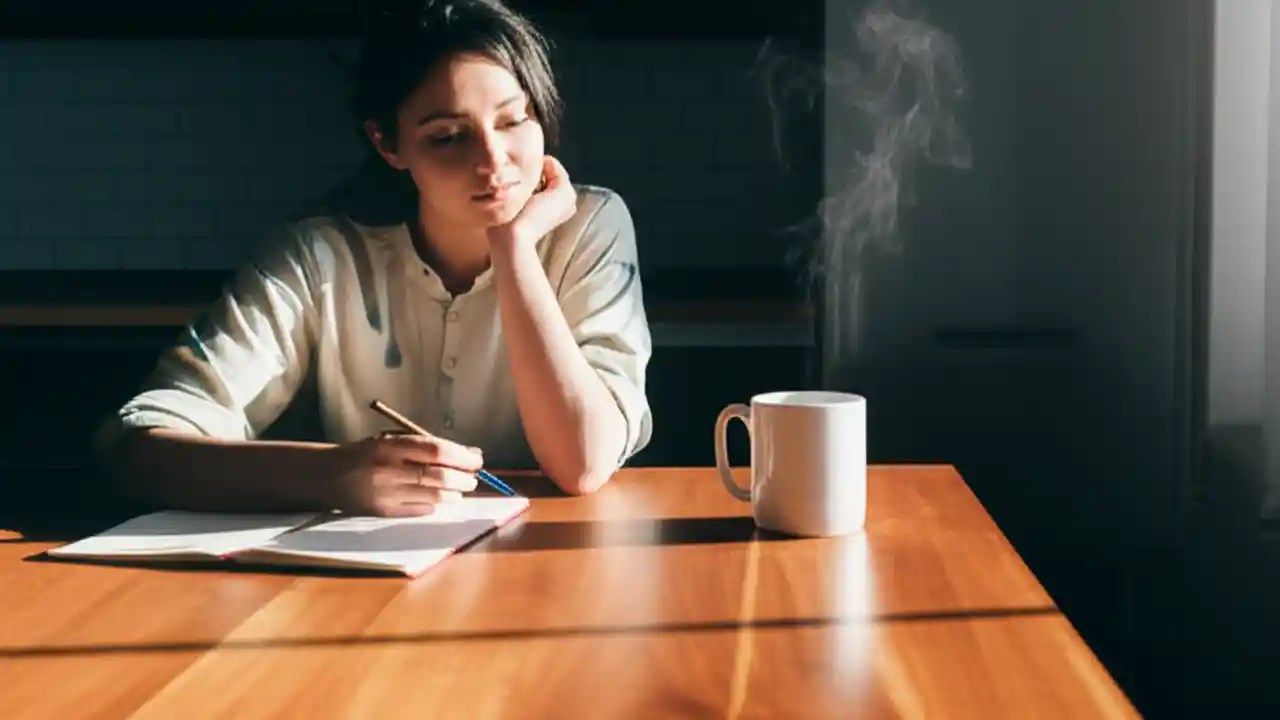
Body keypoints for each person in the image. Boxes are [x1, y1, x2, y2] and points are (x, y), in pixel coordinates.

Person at [94, 0, 653, 517]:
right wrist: (329, 474)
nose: (493, 161)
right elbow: (134, 449)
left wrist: (513, 246)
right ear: (389, 144)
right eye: (449, 137)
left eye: (513, 120)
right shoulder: (319, 256)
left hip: (540, 568)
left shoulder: (588, 227)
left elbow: (582, 461)